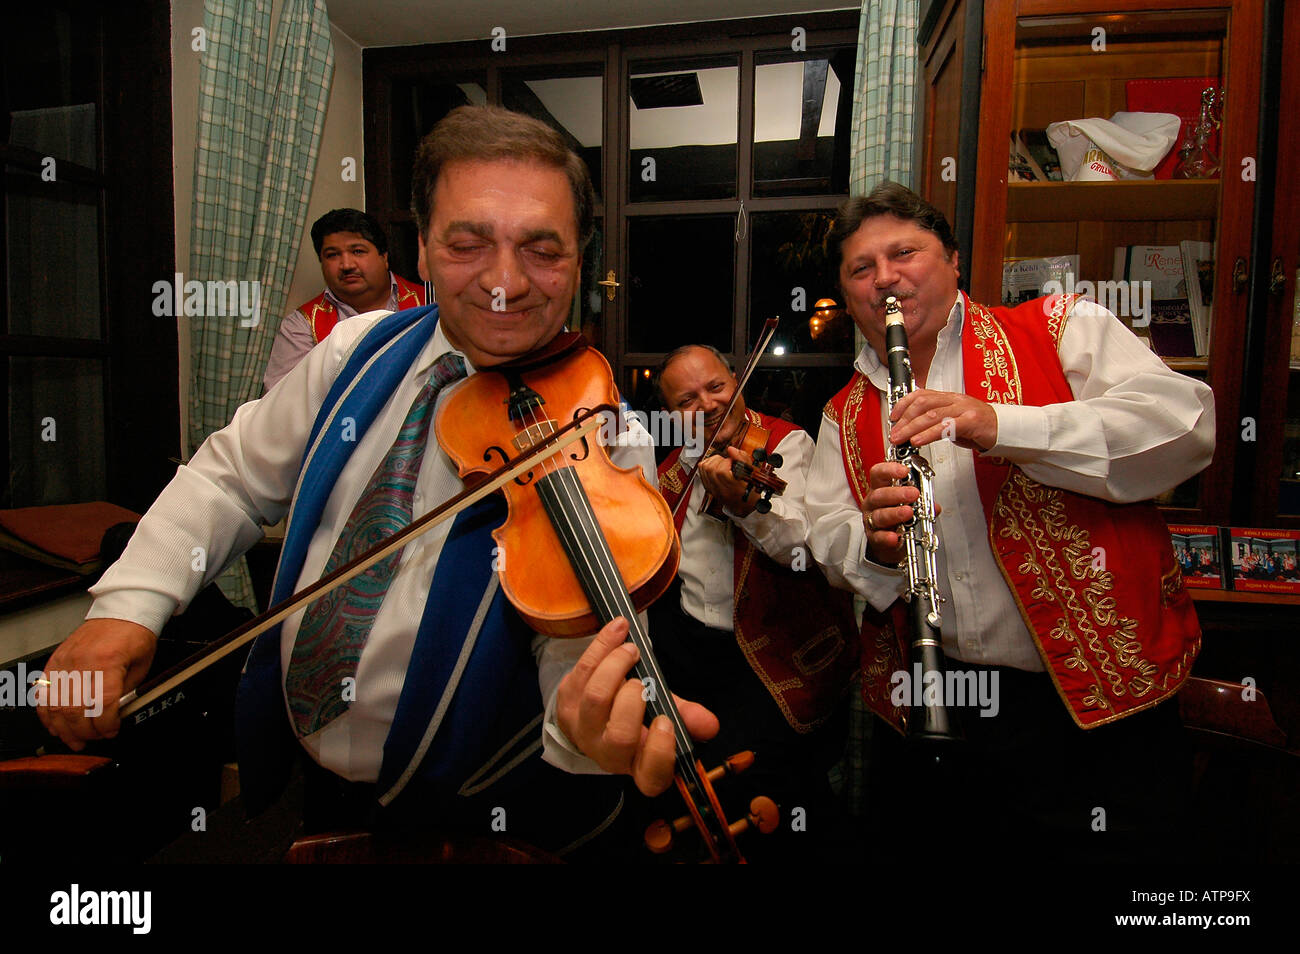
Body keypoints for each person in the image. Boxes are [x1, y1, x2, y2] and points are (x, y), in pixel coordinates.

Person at [37, 106, 713, 858]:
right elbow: (231, 478)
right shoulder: (357, 348)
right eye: (468, 243)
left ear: (580, 258)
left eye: (541, 248)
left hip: (477, 821)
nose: (504, 282)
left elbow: (579, 654)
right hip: (303, 785)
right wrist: (127, 608)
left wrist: (585, 727)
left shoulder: (607, 438)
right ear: (422, 250)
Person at [805, 181, 1215, 862]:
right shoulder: (842, 413)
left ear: (955, 261)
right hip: (941, 712)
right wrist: (873, 546)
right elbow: (826, 540)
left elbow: (1185, 427)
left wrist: (1004, 425)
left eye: (903, 253)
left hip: (1093, 718)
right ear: (848, 297)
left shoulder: (1060, 327)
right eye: (861, 269)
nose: (885, 280)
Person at [648, 344, 857, 859]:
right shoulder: (672, 467)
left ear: (738, 380)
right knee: (694, 766)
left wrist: (748, 507)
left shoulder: (791, 444)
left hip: (773, 647)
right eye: (687, 400)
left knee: (772, 783)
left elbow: (803, 547)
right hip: (694, 648)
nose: (709, 404)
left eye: (716, 387)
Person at [262, 208, 426, 391]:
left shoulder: (430, 302)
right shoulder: (302, 326)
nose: (346, 265)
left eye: (357, 251)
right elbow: (284, 401)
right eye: (332, 255)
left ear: (384, 257)